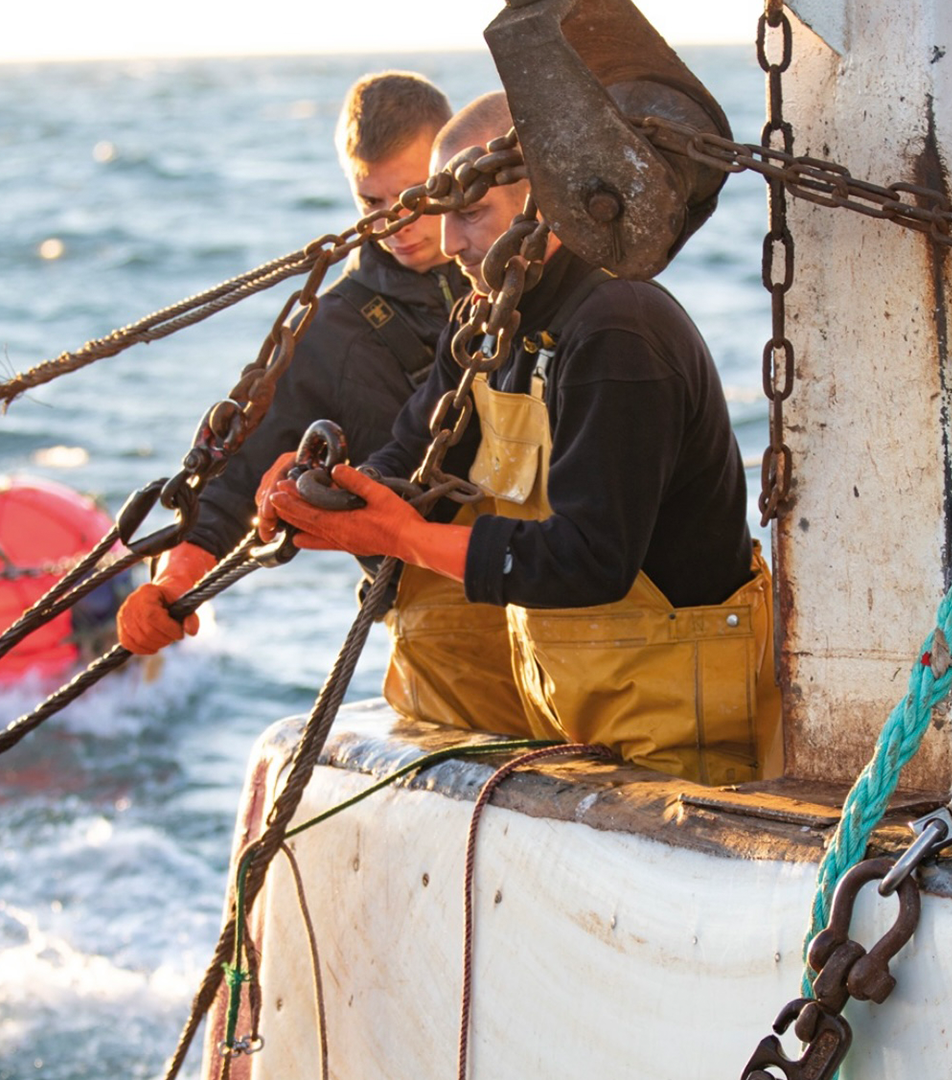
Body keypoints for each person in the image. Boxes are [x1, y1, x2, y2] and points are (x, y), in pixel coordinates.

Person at [258, 91, 782, 787]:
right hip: (584, 717)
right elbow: (416, 457)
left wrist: (404, 538)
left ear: (549, 200)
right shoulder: (488, 322)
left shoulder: (618, 330)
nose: (449, 243)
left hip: (686, 730)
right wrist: (328, 497)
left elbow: (591, 560)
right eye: (444, 215)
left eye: (471, 214)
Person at [117, 71, 468, 656]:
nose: (396, 225)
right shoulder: (329, 333)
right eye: (372, 202)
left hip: (557, 586)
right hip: (443, 628)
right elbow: (232, 482)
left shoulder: (519, 276)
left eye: (413, 196)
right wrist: (173, 585)